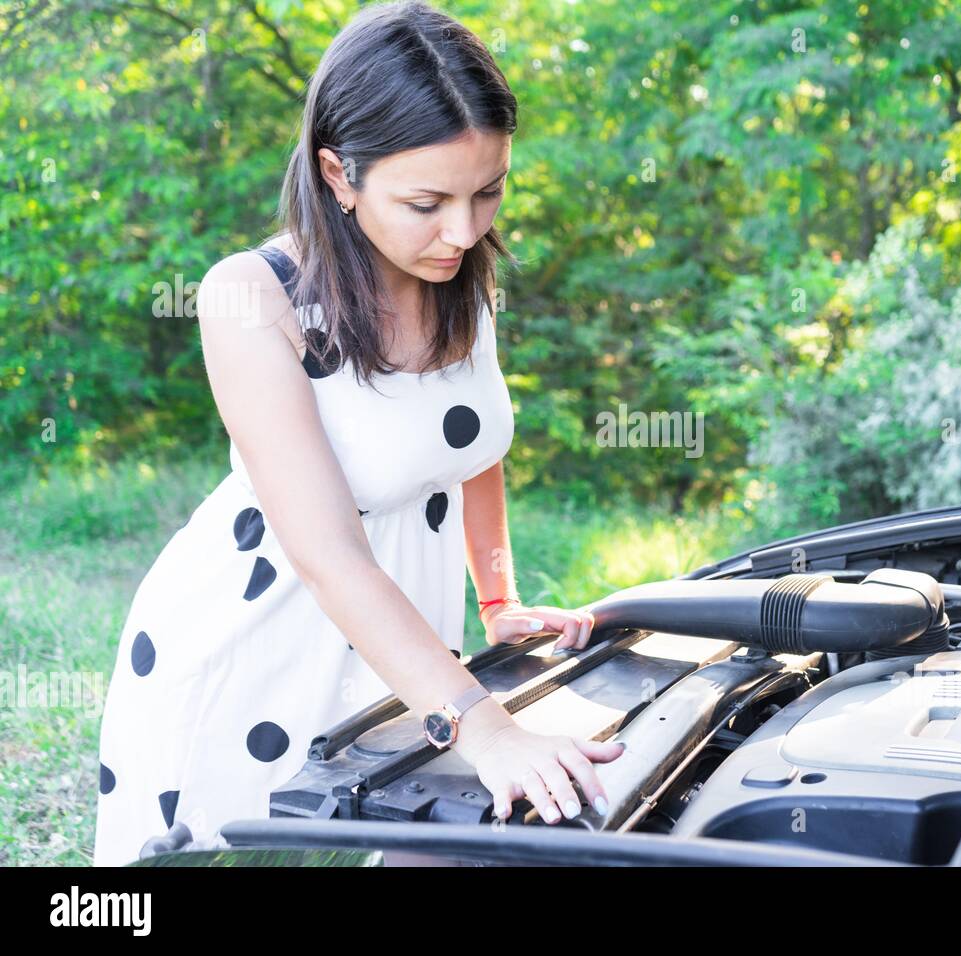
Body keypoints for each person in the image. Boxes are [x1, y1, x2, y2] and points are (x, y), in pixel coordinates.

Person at [92, 0, 624, 867]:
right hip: (251, 654)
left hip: (401, 657)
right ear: (339, 174)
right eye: (426, 201)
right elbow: (328, 553)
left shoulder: (461, 277)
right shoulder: (251, 296)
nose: (464, 229)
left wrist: (496, 601)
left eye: (488, 190)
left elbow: (472, 450)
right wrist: (485, 731)